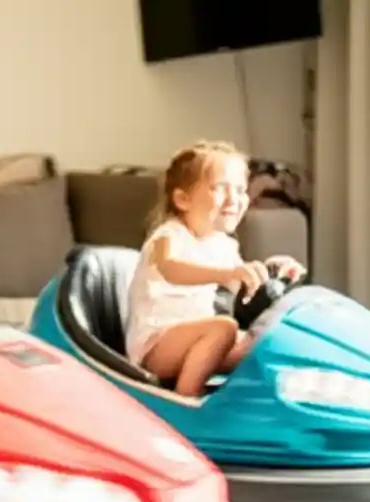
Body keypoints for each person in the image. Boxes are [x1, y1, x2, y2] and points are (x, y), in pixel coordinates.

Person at [125, 140, 307, 398]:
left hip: (195, 342)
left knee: (263, 343)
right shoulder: (169, 235)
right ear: (182, 199)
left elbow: (242, 286)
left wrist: (271, 271)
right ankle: (186, 397)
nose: (234, 199)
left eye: (241, 190)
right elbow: (171, 270)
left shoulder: (223, 244)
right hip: (156, 345)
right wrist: (226, 274)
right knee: (224, 328)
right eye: (220, 188)